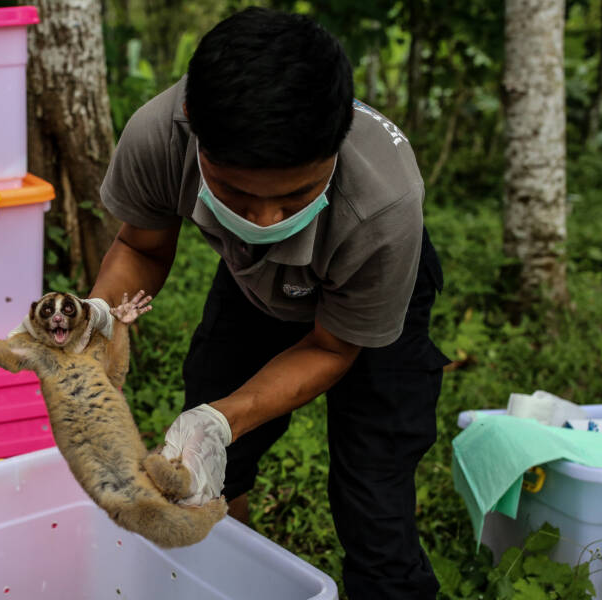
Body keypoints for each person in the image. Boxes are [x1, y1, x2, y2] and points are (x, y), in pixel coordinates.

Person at [88, 7, 450, 598]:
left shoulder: (383, 206)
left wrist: (222, 418)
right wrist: (95, 327)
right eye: (235, 193)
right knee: (203, 466)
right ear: (192, 128)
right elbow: (142, 247)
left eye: (295, 195)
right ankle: (229, 580)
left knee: (374, 489)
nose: (265, 221)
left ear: (337, 148)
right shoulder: (159, 133)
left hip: (370, 299)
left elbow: (332, 347)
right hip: (249, 282)